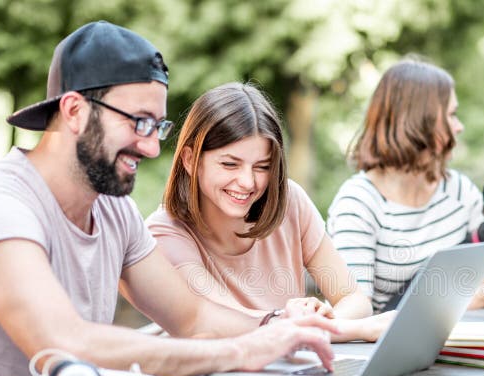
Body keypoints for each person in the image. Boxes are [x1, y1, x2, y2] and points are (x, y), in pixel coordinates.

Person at [0, 21, 338, 376]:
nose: (150, 146)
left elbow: (192, 317)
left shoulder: (115, 211)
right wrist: (244, 350)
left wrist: (278, 327)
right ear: (75, 111)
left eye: (157, 126)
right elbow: (64, 343)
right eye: (139, 122)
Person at [146, 82, 388, 342]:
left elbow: (353, 299)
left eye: (262, 167)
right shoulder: (164, 233)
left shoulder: (290, 201)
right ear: (190, 160)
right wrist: (353, 329)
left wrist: (320, 319)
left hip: (292, 371)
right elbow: (227, 322)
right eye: (230, 164)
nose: (248, 182)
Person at [327, 58, 484, 313]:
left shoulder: (458, 190)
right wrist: (456, 301)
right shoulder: (358, 203)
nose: (459, 127)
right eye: (451, 115)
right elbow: (357, 312)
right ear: (417, 122)